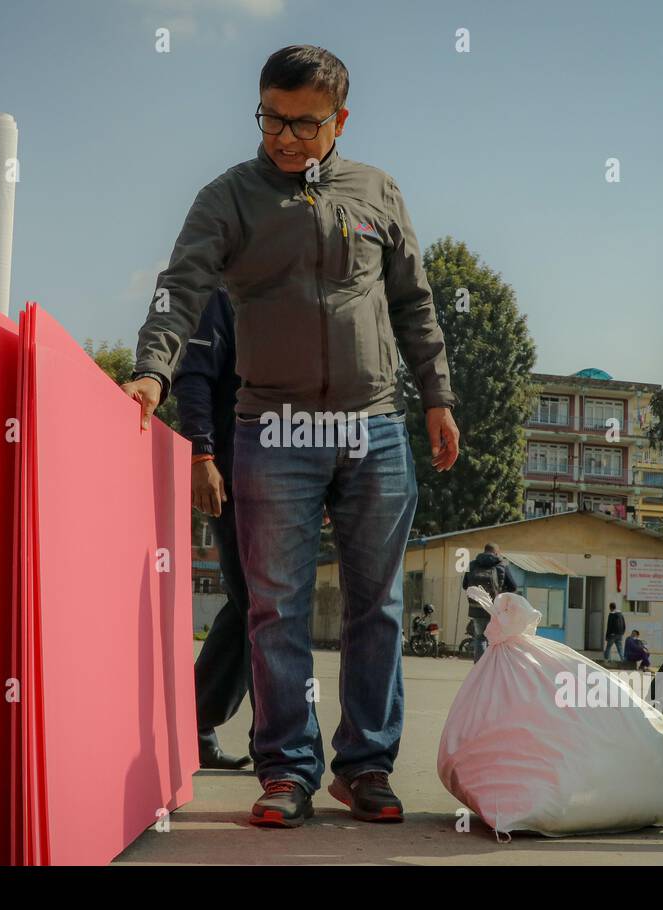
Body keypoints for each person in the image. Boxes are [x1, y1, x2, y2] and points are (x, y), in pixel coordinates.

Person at [122, 46, 460, 828]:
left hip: (373, 426)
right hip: (270, 430)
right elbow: (181, 290)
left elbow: (415, 303)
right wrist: (153, 372)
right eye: (270, 118)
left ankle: (367, 766)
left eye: (302, 124)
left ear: (340, 120)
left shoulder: (377, 191)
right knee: (275, 608)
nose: (282, 137)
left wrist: (438, 398)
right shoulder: (229, 198)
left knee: (377, 605)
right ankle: (287, 771)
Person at [174, 288, 256, 771]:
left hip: (284, 472)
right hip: (230, 472)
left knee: (258, 604)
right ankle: (201, 724)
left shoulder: (277, 285)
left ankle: (197, 723)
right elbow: (195, 378)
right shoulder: (220, 294)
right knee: (257, 602)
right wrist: (202, 455)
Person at [461, 543, 516, 663]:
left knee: (480, 638)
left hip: (477, 609)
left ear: (484, 551)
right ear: (496, 553)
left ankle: (480, 668)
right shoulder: (502, 565)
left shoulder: (472, 564)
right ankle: (494, 668)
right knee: (497, 640)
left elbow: (465, 585)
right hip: (496, 610)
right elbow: (513, 586)